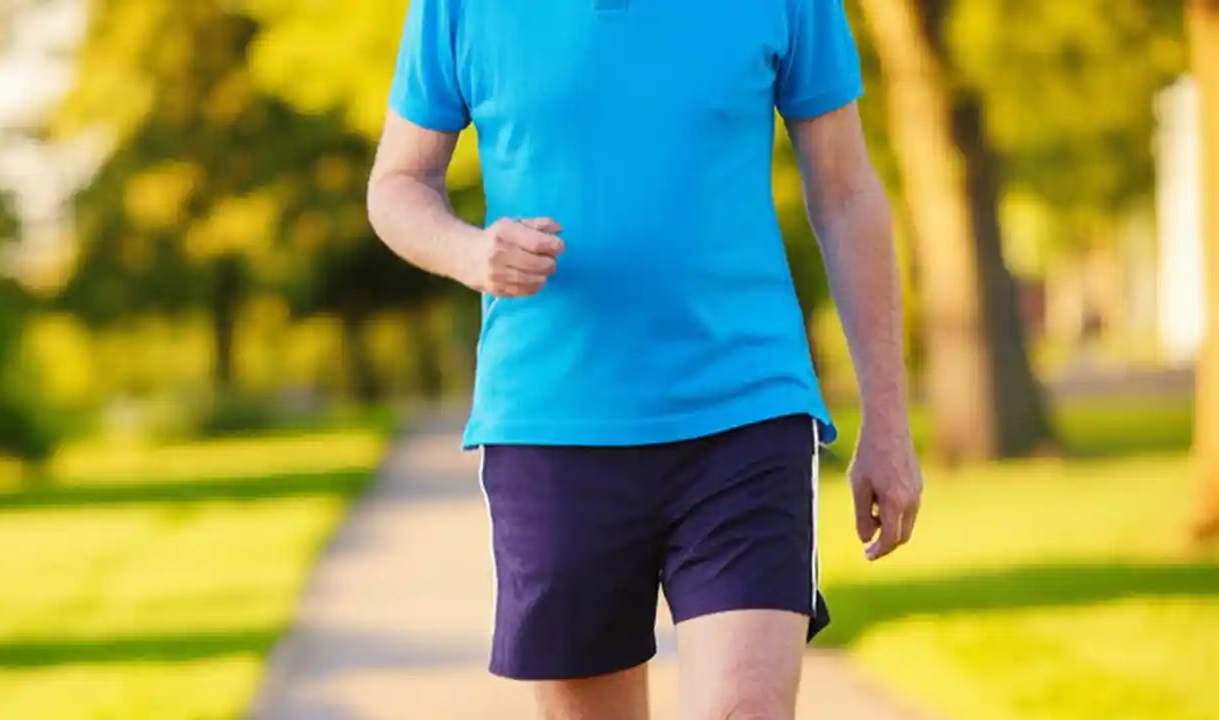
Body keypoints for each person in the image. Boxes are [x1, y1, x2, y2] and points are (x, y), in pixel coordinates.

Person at [368, 0, 923, 717]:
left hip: (746, 412)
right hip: (554, 430)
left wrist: (888, 421)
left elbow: (847, 193)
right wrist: (470, 252)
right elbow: (398, 184)